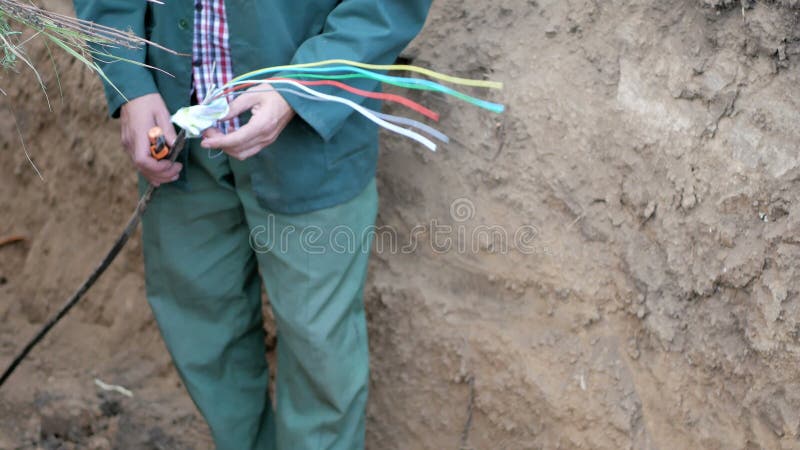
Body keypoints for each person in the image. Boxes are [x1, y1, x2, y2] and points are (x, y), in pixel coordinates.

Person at [71, 0, 432, 448]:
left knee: (319, 343)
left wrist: (300, 89)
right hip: (179, 135)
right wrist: (129, 82)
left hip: (310, 140)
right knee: (202, 325)